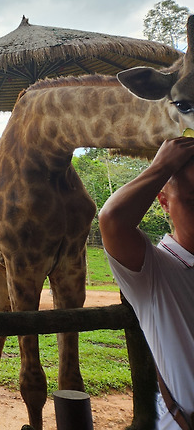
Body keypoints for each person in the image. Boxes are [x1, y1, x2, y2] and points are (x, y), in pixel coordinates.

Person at [98, 137, 194, 430]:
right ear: (164, 202)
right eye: (193, 201)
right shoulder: (153, 271)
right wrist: (163, 164)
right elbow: (113, 219)